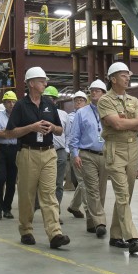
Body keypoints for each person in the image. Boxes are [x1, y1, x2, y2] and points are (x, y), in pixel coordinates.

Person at [4, 67, 70, 249]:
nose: (45, 84)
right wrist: (31, 128)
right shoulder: (20, 106)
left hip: (49, 153)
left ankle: (55, 233)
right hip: (28, 153)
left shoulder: (49, 104)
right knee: (27, 195)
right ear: (31, 83)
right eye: (42, 81)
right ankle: (26, 230)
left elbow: (60, 129)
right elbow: (10, 132)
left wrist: (52, 128)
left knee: (49, 194)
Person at [97, 62, 138, 254]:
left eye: (128, 75)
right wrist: (132, 122)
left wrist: (127, 121)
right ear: (113, 79)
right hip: (115, 149)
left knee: (127, 194)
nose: (128, 78)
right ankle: (132, 237)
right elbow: (116, 125)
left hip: (133, 147)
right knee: (122, 194)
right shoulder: (104, 100)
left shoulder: (133, 100)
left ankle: (116, 236)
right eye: (123, 75)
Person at [68, 81, 108, 238]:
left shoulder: (109, 112)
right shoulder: (81, 113)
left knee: (101, 190)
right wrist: (75, 154)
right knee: (92, 189)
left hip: (105, 155)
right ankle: (100, 222)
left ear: (104, 93)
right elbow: (74, 136)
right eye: (92, 90)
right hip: (87, 154)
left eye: (98, 90)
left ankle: (92, 222)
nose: (94, 93)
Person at [0, 93, 19, 221]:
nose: (11, 104)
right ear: (4, 103)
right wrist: (13, 133)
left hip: (15, 150)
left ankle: (7, 209)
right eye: (8, 102)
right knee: (0, 178)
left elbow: (22, 133)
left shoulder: (19, 116)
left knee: (11, 181)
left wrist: (5, 132)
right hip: (1, 150)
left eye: (13, 102)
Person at [44, 86, 69, 219]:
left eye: (52, 99)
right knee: (44, 184)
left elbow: (68, 133)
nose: (50, 101)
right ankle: (43, 209)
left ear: (55, 101)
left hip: (60, 152)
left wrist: (66, 149)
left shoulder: (63, 115)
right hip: (44, 151)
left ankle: (55, 213)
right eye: (47, 98)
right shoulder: (39, 113)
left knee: (58, 184)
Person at [65, 91, 88, 219]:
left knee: (83, 182)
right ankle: (91, 212)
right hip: (76, 152)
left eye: (81, 99)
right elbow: (68, 135)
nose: (78, 101)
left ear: (86, 102)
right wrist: (71, 152)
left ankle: (74, 207)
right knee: (84, 182)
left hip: (89, 152)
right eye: (76, 100)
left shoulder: (90, 115)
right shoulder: (69, 117)